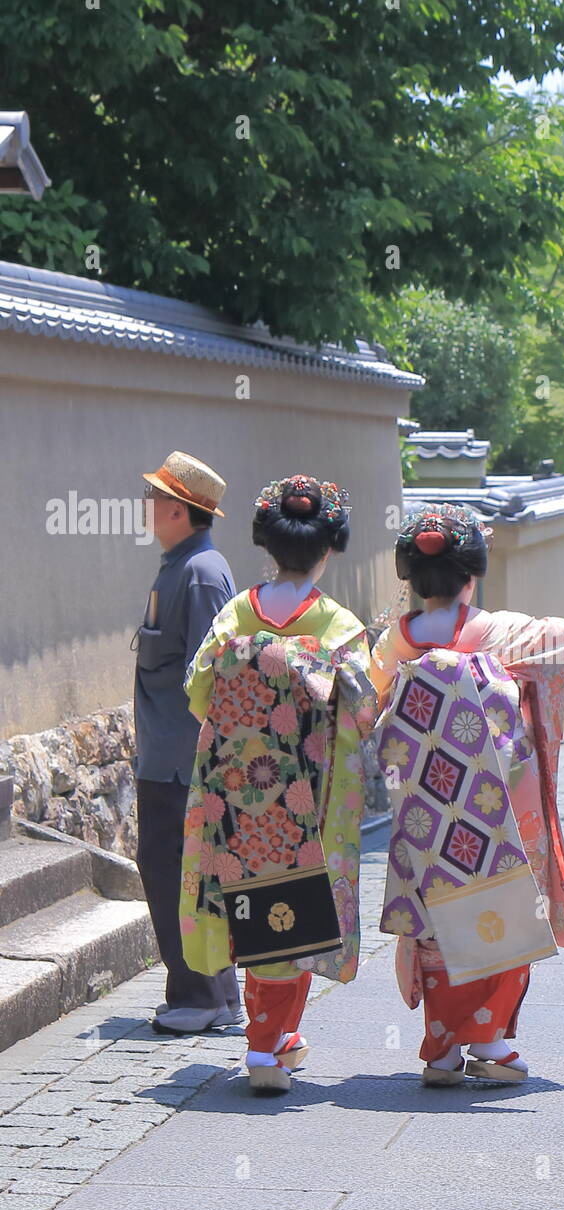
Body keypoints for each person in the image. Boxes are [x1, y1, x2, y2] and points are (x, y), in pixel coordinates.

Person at [368, 503, 564, 1085]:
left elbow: (369, 705)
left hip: (424, 808)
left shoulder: (395, 642)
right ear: (473, 574)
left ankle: (441, 1049)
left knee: (438, 918)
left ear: (410, 579)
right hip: (496, 806)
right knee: (506, 907)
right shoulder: (501, 632)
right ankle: (489, 1043)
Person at [179, 474, 377, 1093]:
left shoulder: (236, 613)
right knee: (299, 908)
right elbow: (361, 710)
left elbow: (198, 692)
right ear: (329, 551)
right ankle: (265, 1048)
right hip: (307, 797)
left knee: (250, 902)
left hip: (237, 792)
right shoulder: (338, 624)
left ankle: (274, 1038)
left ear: (268, 547)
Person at [134, 451, 241, 1036]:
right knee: (186, 872)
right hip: (171, 753)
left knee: (172, 869)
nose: (148, 506)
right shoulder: (184, 565)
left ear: (178, 510)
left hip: (182, 759)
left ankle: (198, 996)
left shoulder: (198, 573)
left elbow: (211, 676)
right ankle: (216, 994)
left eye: (155, 497)